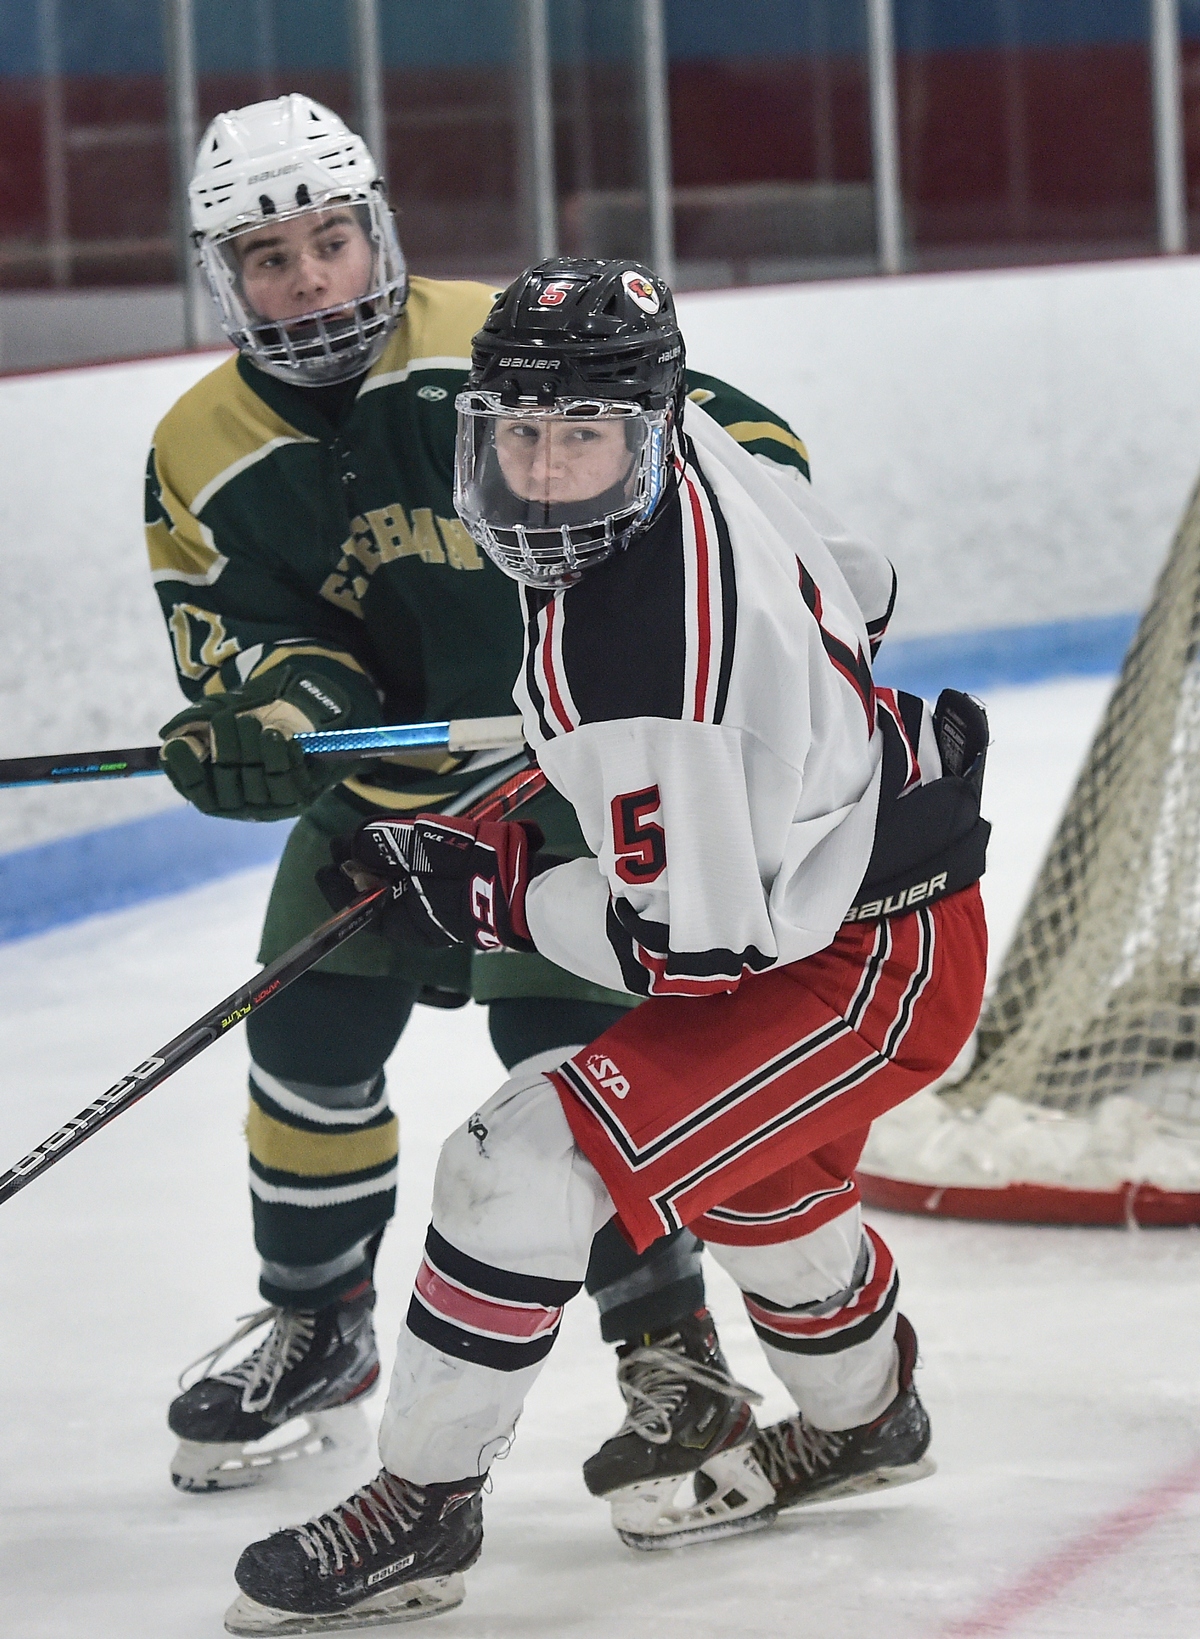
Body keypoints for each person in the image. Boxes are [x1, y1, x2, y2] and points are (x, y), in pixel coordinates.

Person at [223, 259, 991, 1634]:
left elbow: (682, 962)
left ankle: (423, 1509)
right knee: (752, 1182)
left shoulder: (652, 674)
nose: (541, 471)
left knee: (515, 1167)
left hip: (860, 968)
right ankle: (868, 1422)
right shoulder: (696, 446)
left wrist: (493, 896)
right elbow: (866, 588)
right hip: (870, 896)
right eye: (516, 432)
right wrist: (702, 774)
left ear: (639, 423)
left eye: (579, 437)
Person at [145, 95, 818, 1497]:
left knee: (579, 1056)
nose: (311, 277)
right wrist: (277, 717)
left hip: (561, 784)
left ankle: (667, 1341)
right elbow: (243, 637)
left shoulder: (496, 342)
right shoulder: (197, 447)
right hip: (382, 804)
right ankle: (320, 1320)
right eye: (270, 258)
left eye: (332, 238)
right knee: (306, 1042)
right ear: (227, 279)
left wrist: (707, 618)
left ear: (378, 230)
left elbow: (746, 455)